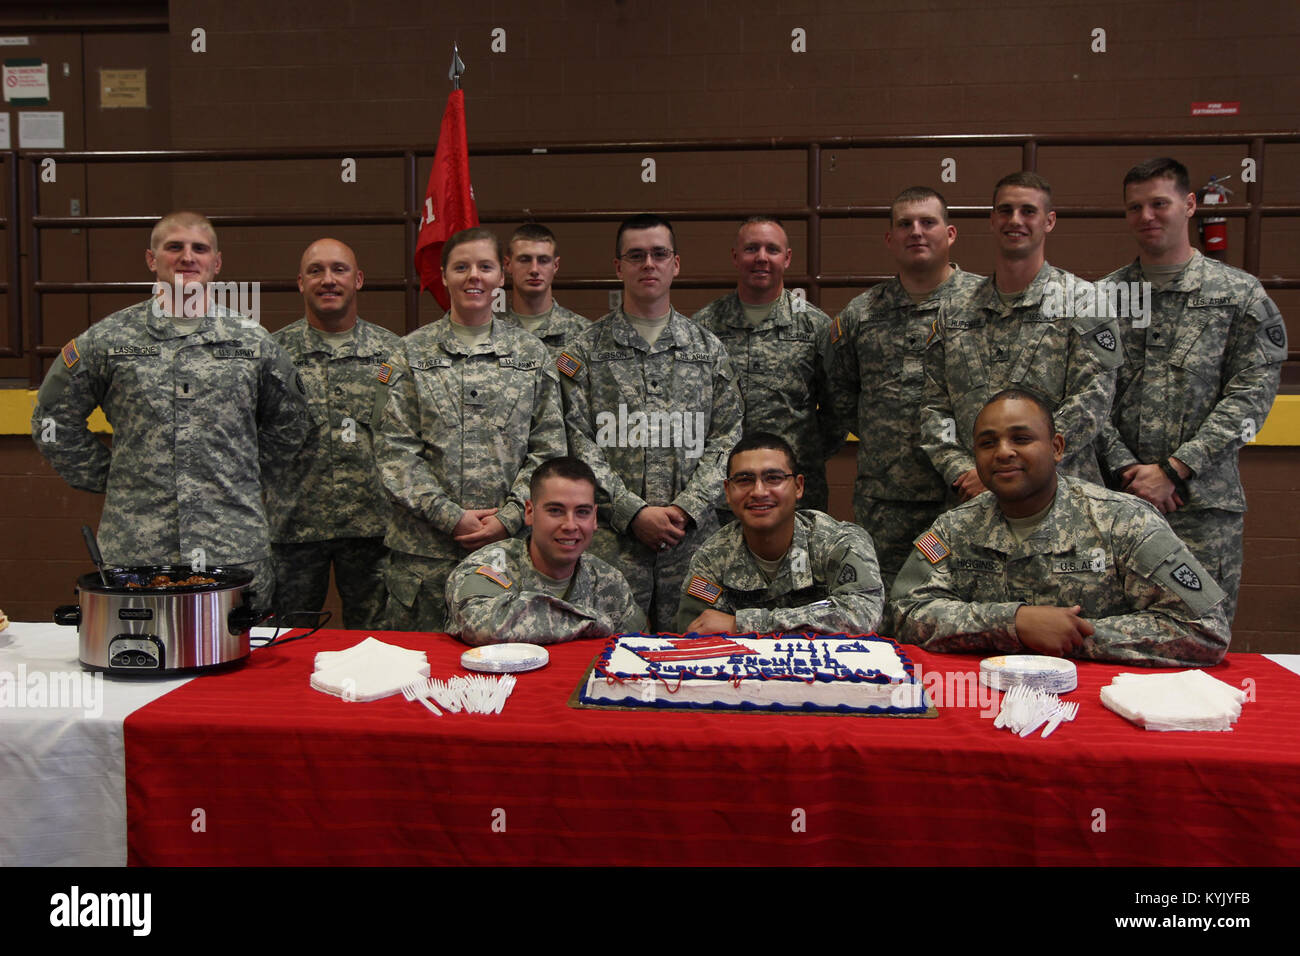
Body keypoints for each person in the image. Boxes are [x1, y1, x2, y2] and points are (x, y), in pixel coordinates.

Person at [31, 211, 311, 606]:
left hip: (231, 547)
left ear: (216, 263)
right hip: (138, 549)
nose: (187, 257)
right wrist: (111, 478)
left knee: (244, 662)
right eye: (174, 247)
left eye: (200, 248)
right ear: (151, 259)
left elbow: (294, 422)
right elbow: (52, 420)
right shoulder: (108, 339)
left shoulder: (253, 342)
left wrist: (243, 473)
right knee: (136, 658)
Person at [888, 390, 1231, 666]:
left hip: (1097, 709)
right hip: (984, 701)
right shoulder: (954, 527)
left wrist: (1079, 634)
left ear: (1056, 448)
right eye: (988, 443)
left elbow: (1206, 629)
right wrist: (1014, 623)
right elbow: (906, 612)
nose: (1004, 452)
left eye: (1021, 439)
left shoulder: (1123, 521)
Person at [1097, 157, 1287, 623]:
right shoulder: (1101, 298)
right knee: (1111, 637)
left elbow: (1250, 398)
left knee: (1200, 633)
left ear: (1189, 205)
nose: (1147, 216)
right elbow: (1086, 396)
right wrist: (1129, 472)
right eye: (1135, 207)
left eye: (1159, 203)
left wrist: (1175, 469)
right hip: (1116, 504)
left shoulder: (1240, 296)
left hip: (1202, 508)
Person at [376, 226, 567, 631]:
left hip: (509, 551)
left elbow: (549, 449)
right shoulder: (409, 353)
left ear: (502, 275)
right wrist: (450, 516)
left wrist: (511, 516)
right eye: (461, 267)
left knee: (507, 670)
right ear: (444, 276)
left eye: (485, 266)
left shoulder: (532, 355)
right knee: (415, 676)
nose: (473, 277)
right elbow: (394, 451)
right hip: (422, 557)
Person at [559, 213, 743, 631]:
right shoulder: (584, 353)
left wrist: (687, 506)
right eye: (636, 255)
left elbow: (728, 438)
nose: (649, 264)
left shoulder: (708, 350)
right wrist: (631, 510)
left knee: (694, 664)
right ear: (617, 267)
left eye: (659, 254)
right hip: (611, 543)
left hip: (693, 542)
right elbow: (576, 441)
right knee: (607, 658)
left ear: (675, 264)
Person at [922, 172, 1123, 501]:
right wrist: (962, 471)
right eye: (1005, 210)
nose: (1015, 220)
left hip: (1063, 501)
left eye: (1028, 211)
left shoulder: (1086, 302)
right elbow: (933, 409)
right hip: (973, 502)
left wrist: (1005, 468)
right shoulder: (954, 311)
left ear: (1049, 221)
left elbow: (1091, 403)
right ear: (992, 219)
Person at [830, 187, 983, 588]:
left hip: (966, 493)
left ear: (950, 233)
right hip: (884, 501)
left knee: (963, 606)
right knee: (881, 608)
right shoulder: (862, 313)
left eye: (927, 222)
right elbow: (840, 394)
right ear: (890, 238)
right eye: (905, 224)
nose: (916, 232)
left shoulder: (984, 304)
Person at [267, 238, 399, 629]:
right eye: (316, 271)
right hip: (293, 528)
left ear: (358, 279)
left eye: (339, 270)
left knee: (377, 645)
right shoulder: (272, 354)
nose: (328, 280)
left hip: (373, 528)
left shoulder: (392, 353)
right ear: (300, 282)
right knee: (284, 644)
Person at [691, 217, 842, 513]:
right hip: (722, 491)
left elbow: (838, 410)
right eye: (751, 249)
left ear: (786, 259)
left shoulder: (815, 326)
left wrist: (802, 454)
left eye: (772, 250)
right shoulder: (704, 327)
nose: (761, 258)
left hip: (794, 493)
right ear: (735, 257)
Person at [674, 433, 884, 635]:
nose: (759, 492)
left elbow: (864, 614)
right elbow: (696, 628)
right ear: (727, 492)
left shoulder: (837, 543)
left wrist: (742, 625)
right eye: (745, 480)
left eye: (773, 478)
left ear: (798, 486)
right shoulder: (712, 557)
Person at [445, 456, 645, 645]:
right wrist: (595, 622)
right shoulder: (491, 566)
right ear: (530, 512)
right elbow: (483, 628)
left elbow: (638, 650)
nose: (570, 525)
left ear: (594, 518)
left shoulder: (610, 582)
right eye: (555, 511)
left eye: (582, 512)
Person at [501, 223, 589, 355]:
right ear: (508, 265)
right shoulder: (491, 331)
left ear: (555, 265)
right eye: (524, 260)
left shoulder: (584, 333)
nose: (534, 270)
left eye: (543, 260)